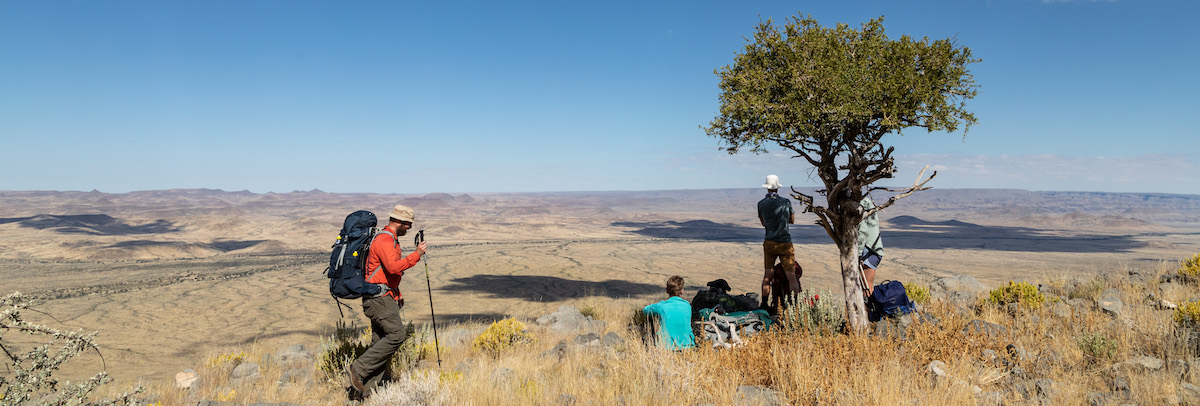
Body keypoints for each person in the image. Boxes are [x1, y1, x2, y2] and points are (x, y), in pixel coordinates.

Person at [347, 204, 427, 399]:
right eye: (408, 224)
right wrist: (417, 255)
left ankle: (364, 393)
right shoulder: (384, 239)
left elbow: (387, 274)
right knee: (397, 335)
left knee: (379, 344)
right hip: (379, 299)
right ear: (399, 222)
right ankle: (357, 369)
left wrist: (396, 293)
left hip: (384, 296)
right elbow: (392, 267)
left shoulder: (390, 239)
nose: (409, 228)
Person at [757, 174, 799, 308]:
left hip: (770, 241)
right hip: (785, 242)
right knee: (791, 276)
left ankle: (764, 304)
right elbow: (791, 220)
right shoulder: (786, 202)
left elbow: (763, 222)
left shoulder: (761, 204)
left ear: (767, 188)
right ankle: (795, 306)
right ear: (777, 187)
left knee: (767, 276)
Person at [642, 275, 696, 350]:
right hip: (687, 345)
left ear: (667, 290)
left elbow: (645, 310)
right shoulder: (687, 306)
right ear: (682, 291)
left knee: (652, 318)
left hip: (666, 347)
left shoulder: (661, 306)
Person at [858, 195, 883, 294]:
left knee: (866, 287)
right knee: (866, 286)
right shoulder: (867, 202)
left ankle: (868, 309)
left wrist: (859, 253)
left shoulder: (862, 205)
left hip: (869, 250)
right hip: (874, 249)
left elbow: (862, 231)